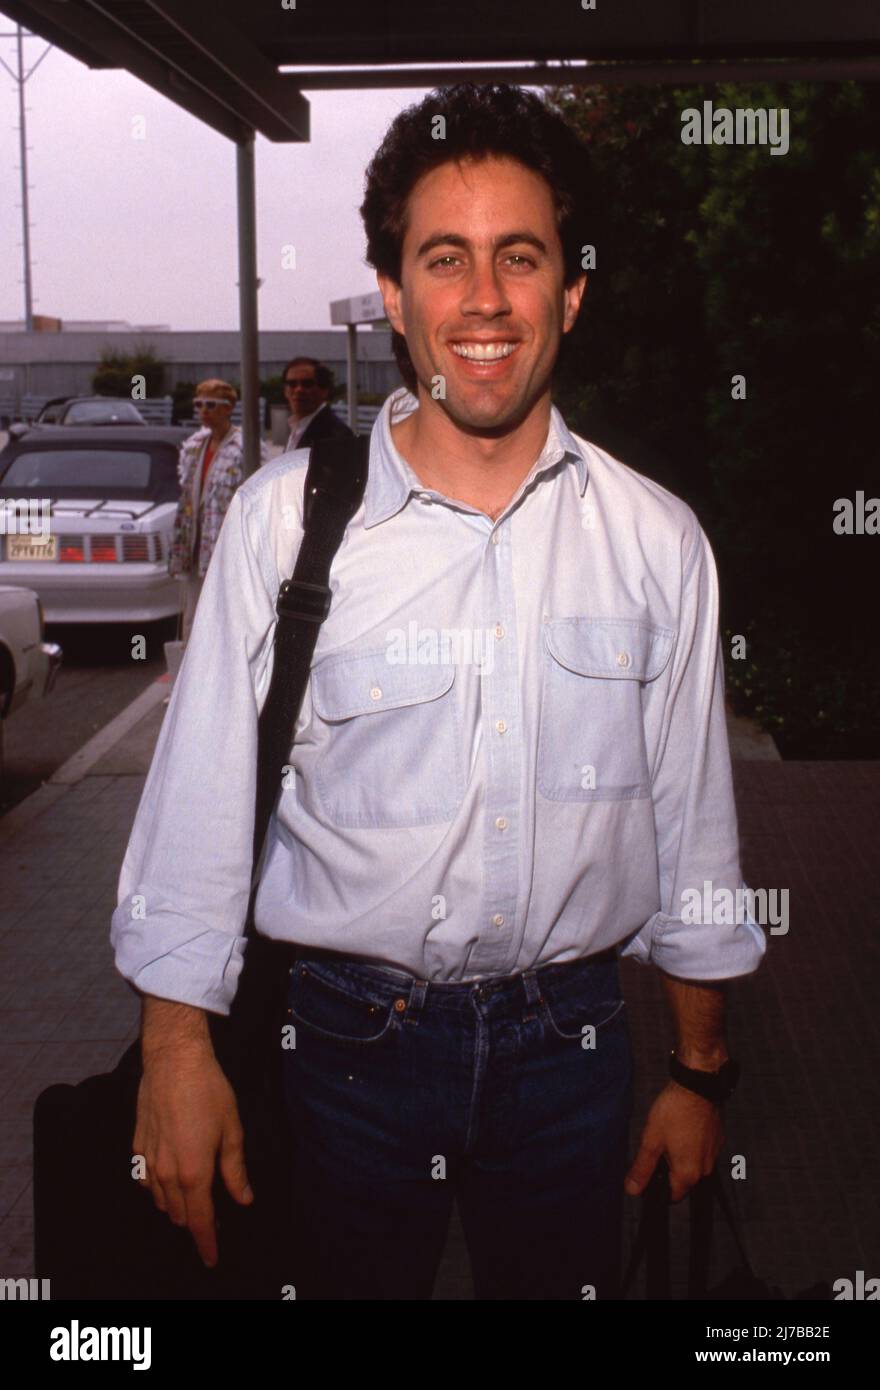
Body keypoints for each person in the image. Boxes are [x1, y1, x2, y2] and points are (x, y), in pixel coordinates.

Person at [111, 83, 767, 1300]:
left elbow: (694, 840)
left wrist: (695, 1075)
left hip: (574, 1056)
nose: (482, 300)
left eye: (519, 259)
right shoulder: (283, 527)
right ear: (396, 293)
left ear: (569, 291)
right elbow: (197, 806)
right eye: (444, 259)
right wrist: (175, 1049)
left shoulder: (657, 542)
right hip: (344, 1054)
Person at [167, 379, 267, 641]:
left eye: (211, 405)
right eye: (198, 405)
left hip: (227, 544)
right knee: (192, 616)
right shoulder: (194, 446)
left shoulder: (245, 447)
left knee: (226, 615)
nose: (203, 411)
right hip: (194, 544)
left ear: (228, 407)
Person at [280, 356, 355, 451]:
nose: (298, 390)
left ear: (324, 391)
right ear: (285, 391)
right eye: (292, 384)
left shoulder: (336, 436)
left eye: (307, 384)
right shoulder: (297, 428)